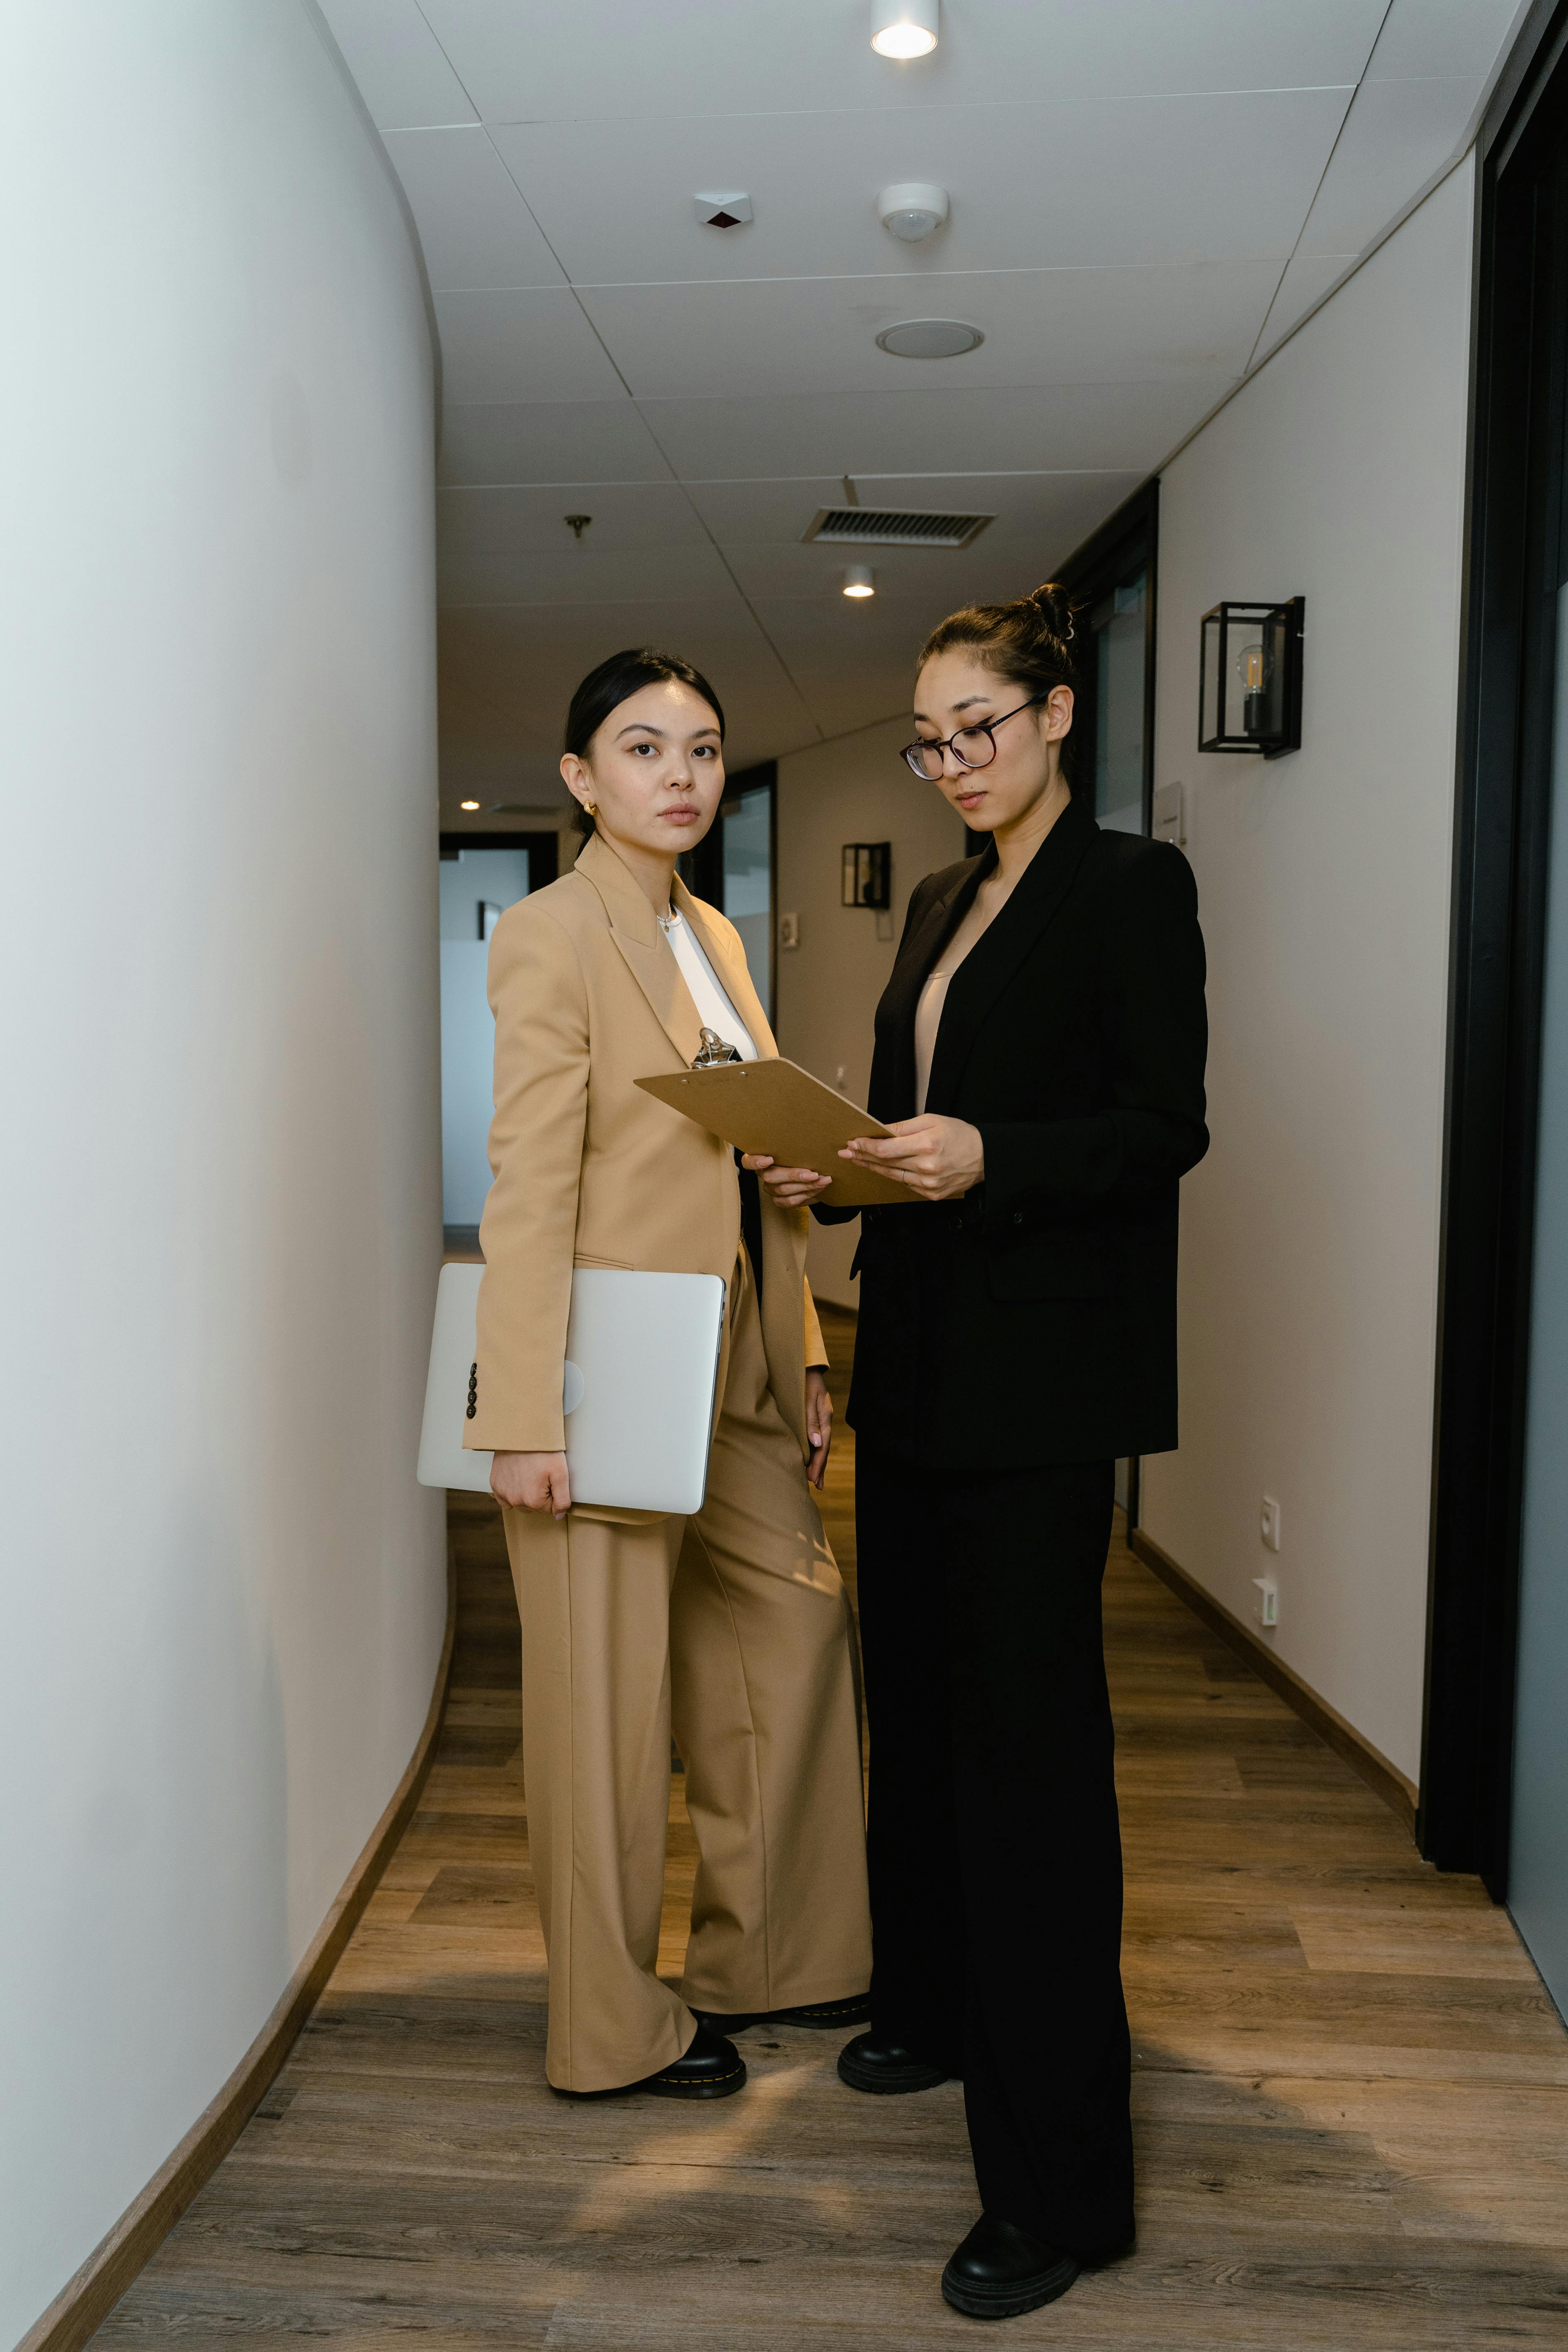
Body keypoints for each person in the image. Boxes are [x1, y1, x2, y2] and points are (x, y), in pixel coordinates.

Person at [748, 585, 1208, 2316]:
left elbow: (1161, 1129)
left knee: (1030, 1771)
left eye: (979, 729)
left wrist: (989, 1157)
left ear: (1057, 712)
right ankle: (935, 2009)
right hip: (921, 1371)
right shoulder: (944, 899)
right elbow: (913, 1130)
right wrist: (844, 1167)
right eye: (928, 741)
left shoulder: (1129, 888)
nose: (951, 763)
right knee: (925, 1717)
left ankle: (1060, 2191)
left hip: (1041, 1398)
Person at [464, 646, 871, 2102]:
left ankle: (778, 1958)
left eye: (701, 748)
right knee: (606, 1713)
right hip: (606, 1374)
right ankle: (608, 2030)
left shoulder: (713, 934)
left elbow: (753, 1148)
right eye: (643, 749)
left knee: (792, 1635)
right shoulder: (550, 934)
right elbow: (529, 1185)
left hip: (735, 1358)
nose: (681, 775)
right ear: (583, 779)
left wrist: (802, 1344)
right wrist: (521, 1415)